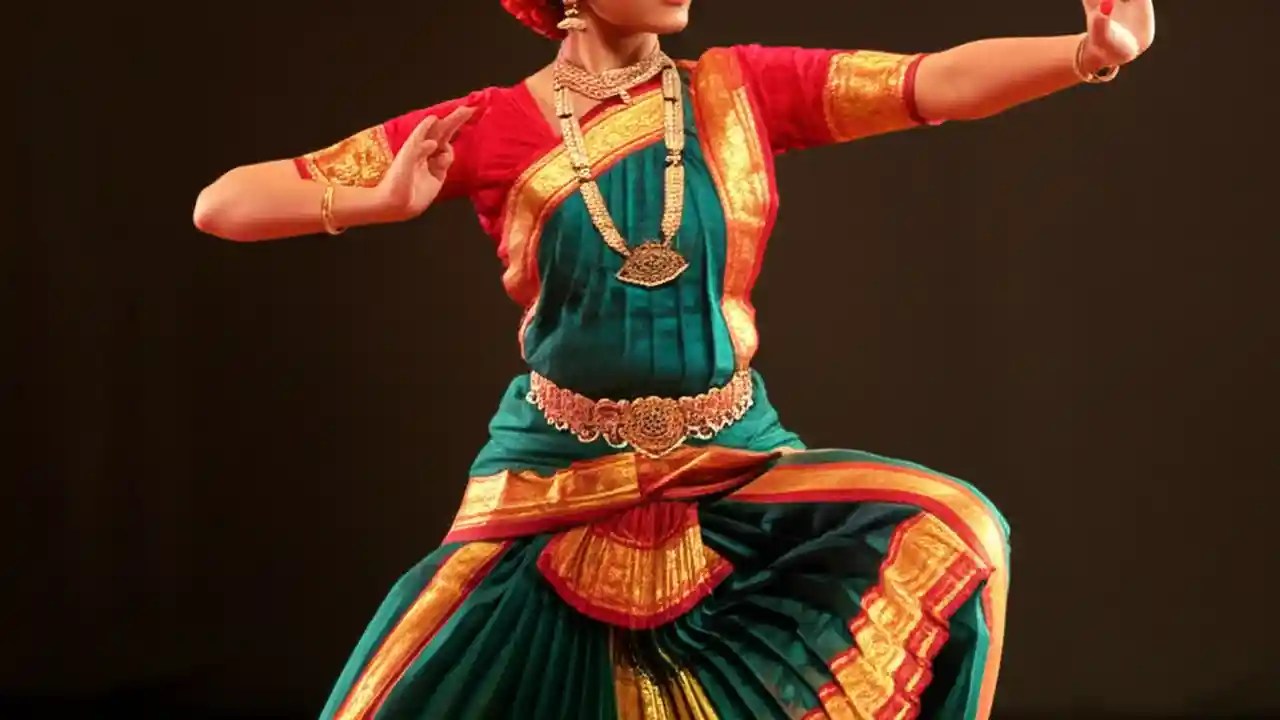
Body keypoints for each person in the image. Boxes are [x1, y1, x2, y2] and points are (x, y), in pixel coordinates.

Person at [193, 0, 1154, 717]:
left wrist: (1087, 54)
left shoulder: (739, 89)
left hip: (735, 462)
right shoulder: (489, 128)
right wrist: (376, 202)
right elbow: (223, 202)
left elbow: (930, 82)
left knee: (961, 529)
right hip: (554, 475)